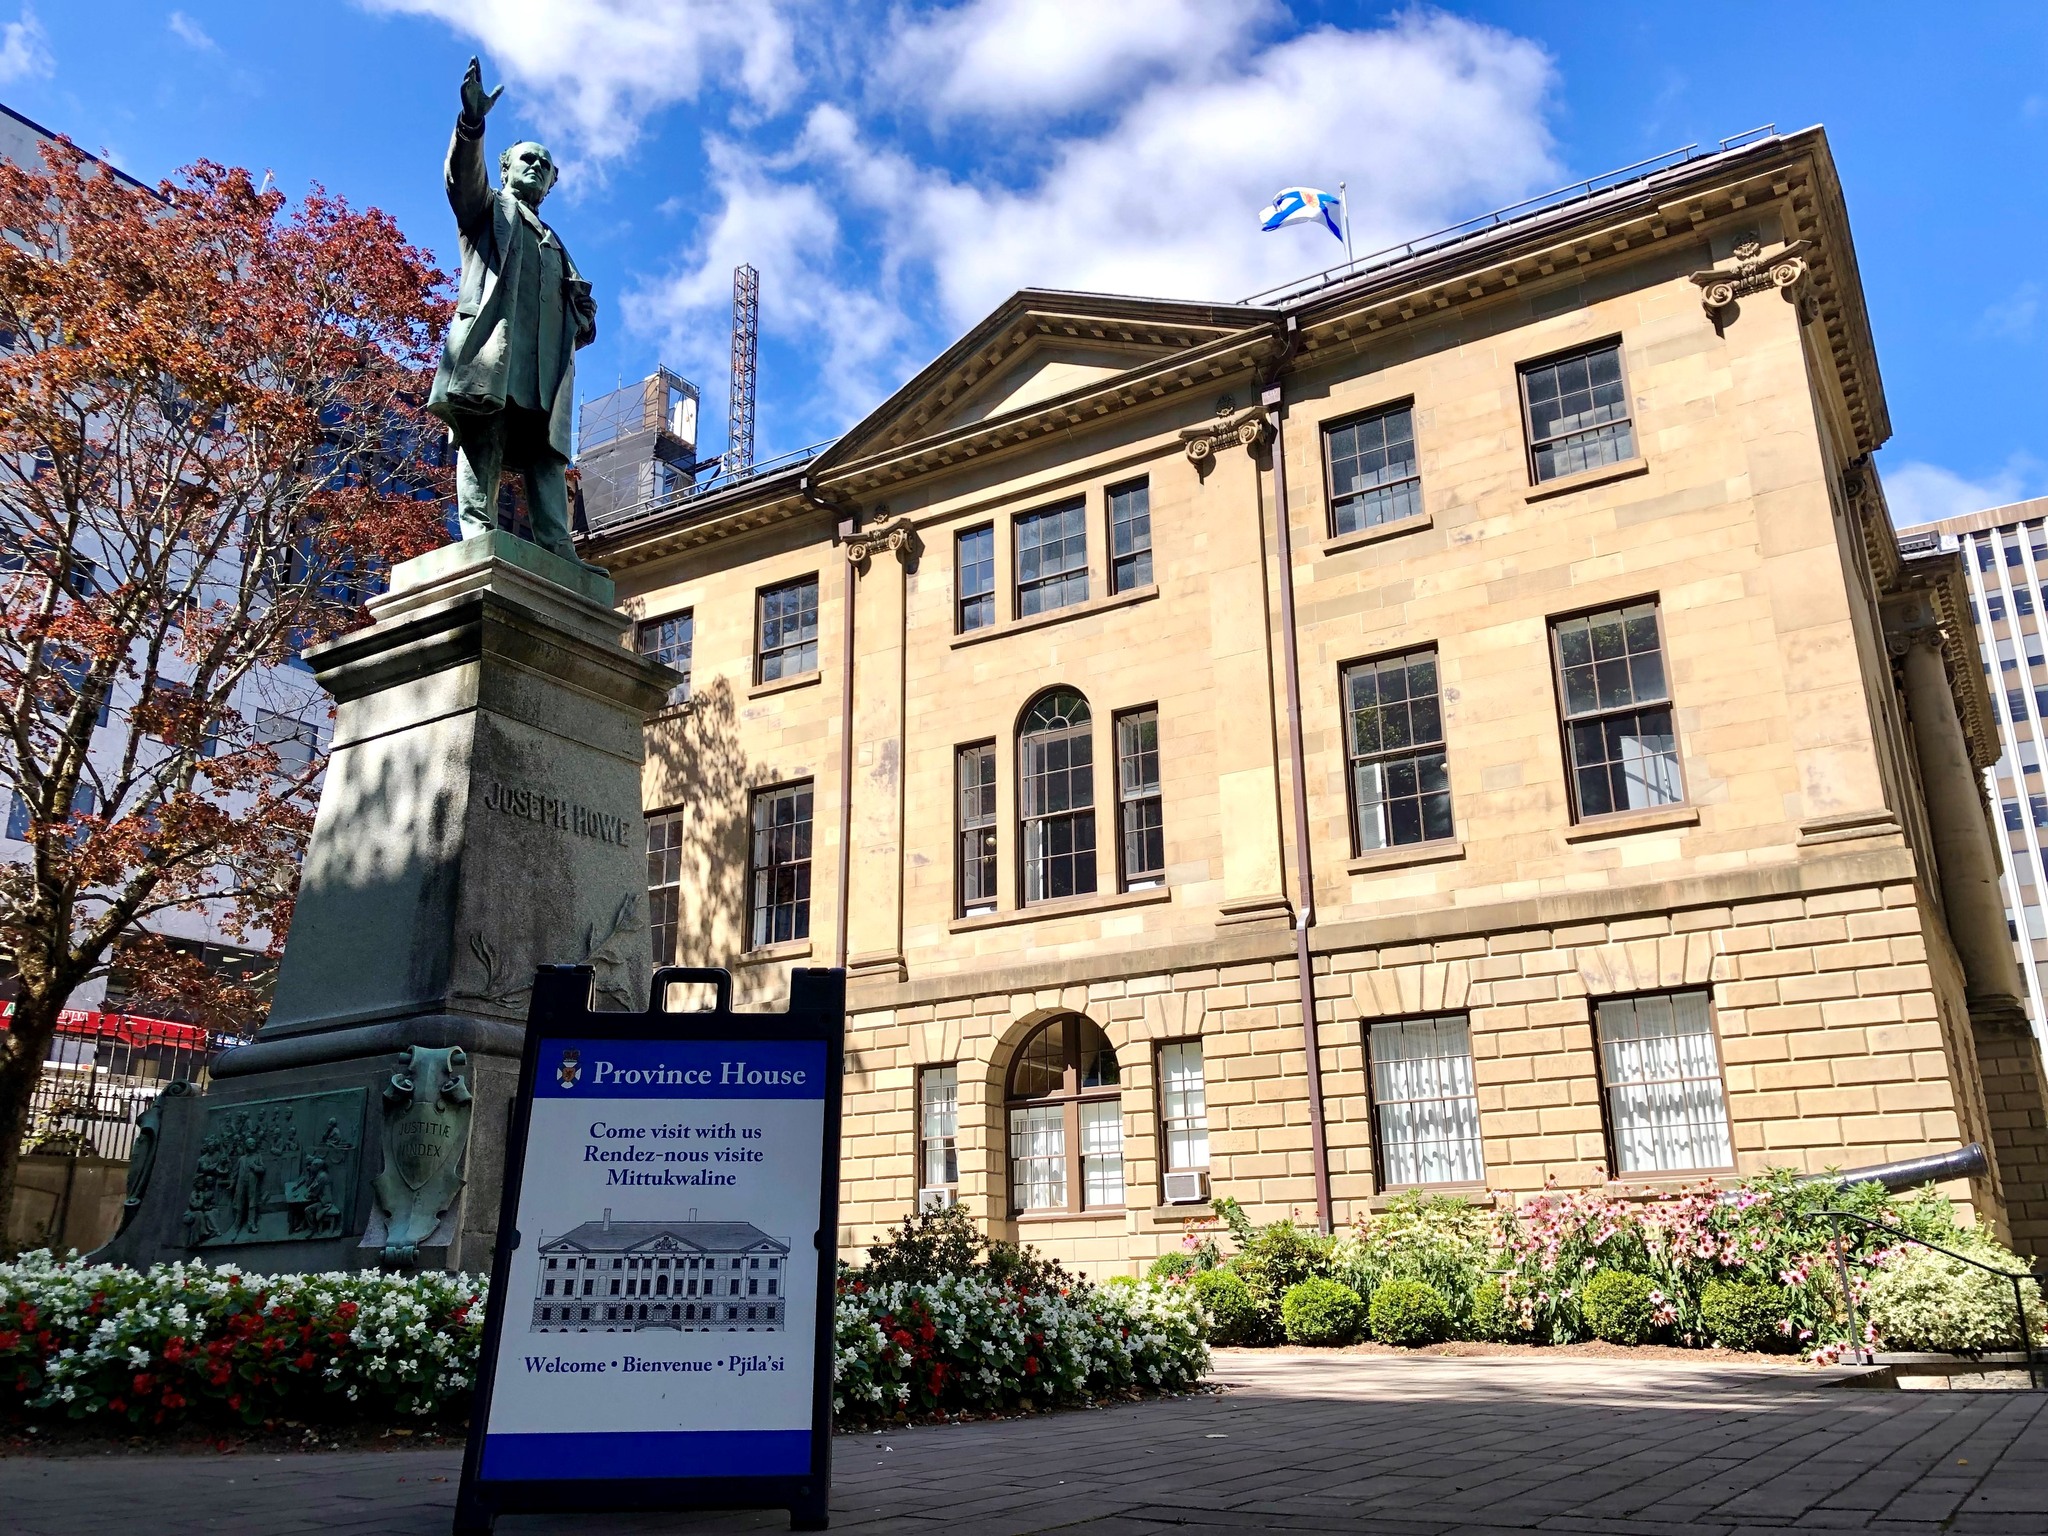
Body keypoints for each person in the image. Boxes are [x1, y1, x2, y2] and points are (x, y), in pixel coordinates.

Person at [426, 58, 598, 565]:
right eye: (527, 160)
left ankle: (556, 545)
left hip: (544, 370)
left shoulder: (559, 246)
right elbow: (463, 180)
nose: (536, 169)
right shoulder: (489, 210)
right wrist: (471, 126)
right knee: (486, 436)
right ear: (505, 168)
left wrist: (584, 316)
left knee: (547, 456)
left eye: (545, 167)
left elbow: (580, 325)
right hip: (495, 351)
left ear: (552, 184)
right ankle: (477, 529)